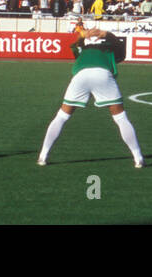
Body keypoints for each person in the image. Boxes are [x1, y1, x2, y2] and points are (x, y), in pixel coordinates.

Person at [37, 22, 144, 168]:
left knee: (61, 116)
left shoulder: (82, 51)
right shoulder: (110, 49)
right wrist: (106, 34)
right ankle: (138, 158)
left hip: (81, 76)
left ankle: (43, 156)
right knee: (121, 118)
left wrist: (82, 35)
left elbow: (74, 43)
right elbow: (120, 47)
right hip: (103, 74)